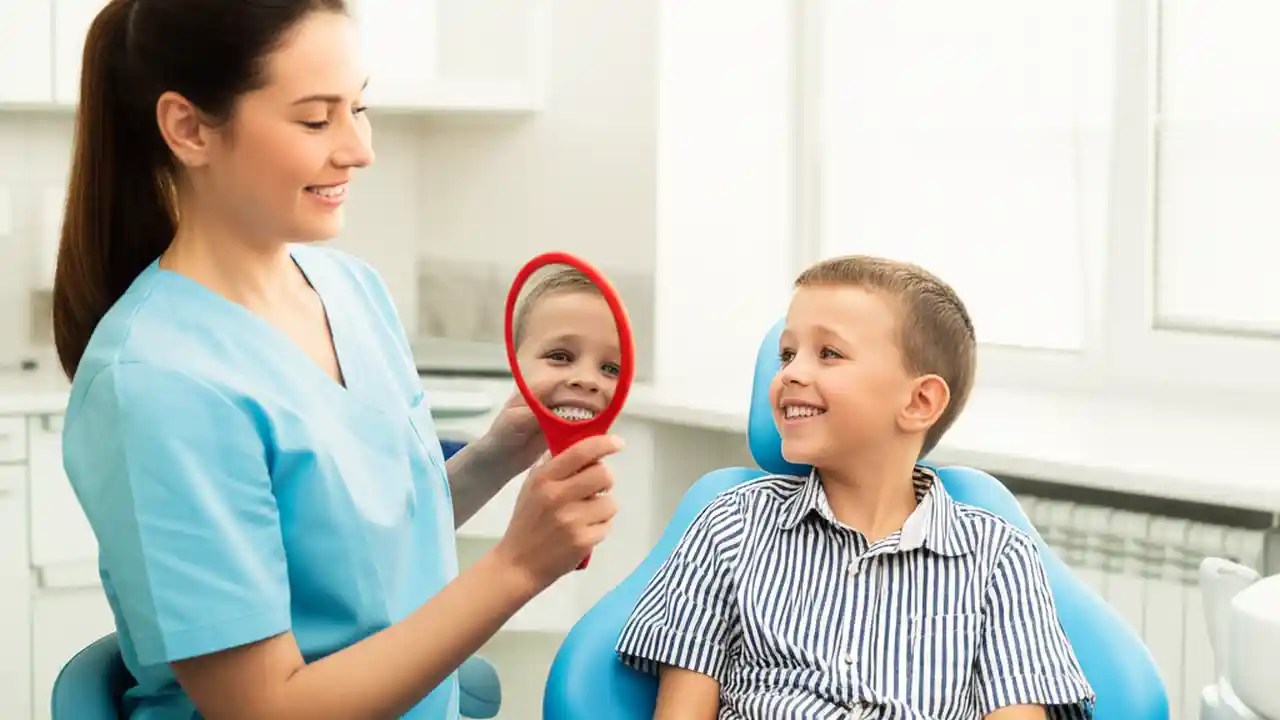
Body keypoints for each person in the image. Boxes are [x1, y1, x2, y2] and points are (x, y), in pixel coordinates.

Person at [51, 1, 621, 718]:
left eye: (360, 106)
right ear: (189, 128)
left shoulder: (351, 291)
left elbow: (359, 548)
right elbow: (265, 708)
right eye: (317, 119)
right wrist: (515, 567)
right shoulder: (157, 384)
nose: (358, 148)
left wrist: (496, 456)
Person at [615, 256, 1095, 720]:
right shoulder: (730, 526)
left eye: (829, 353)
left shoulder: (996, 558)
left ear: (919, 401)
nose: (791, 373)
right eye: (787, 354)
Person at [512, 266, 622, 423]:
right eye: (560, 357)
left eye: (611, 369)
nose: (587, 380)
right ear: (513, 363)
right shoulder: (479, 447)